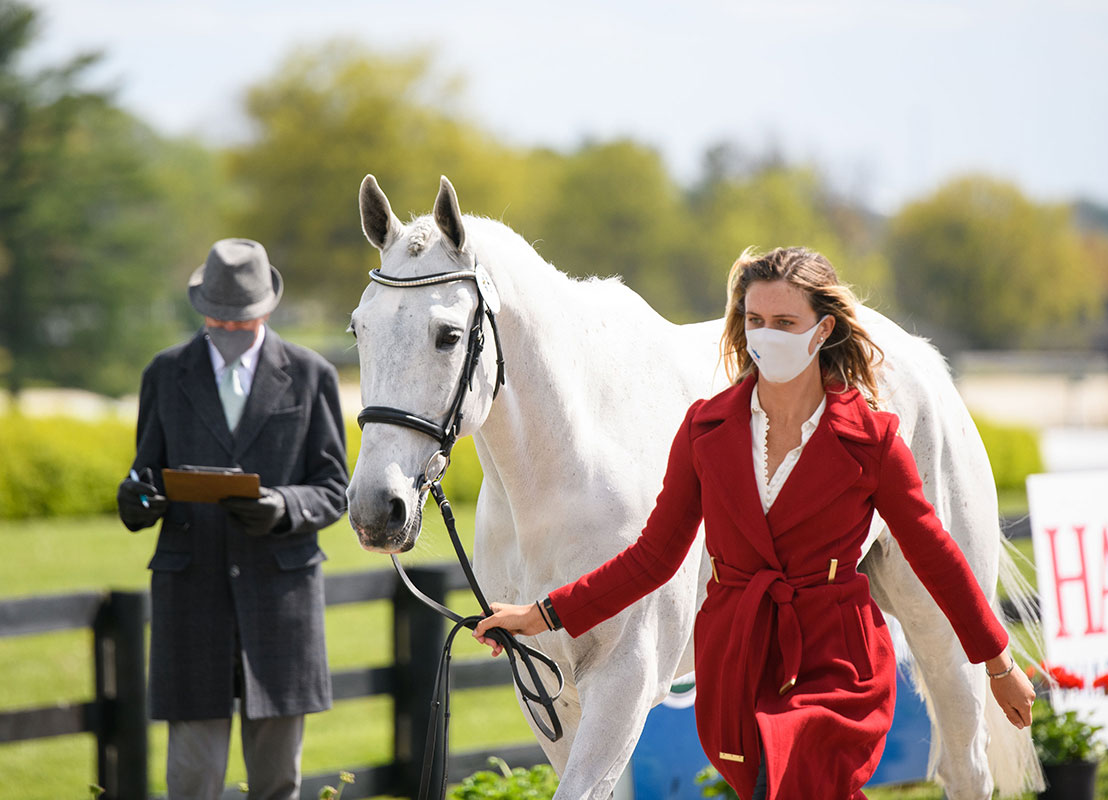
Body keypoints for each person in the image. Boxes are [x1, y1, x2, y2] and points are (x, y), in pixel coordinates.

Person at [473, 247, 1036, 800]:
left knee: (797, 770)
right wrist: (543, 613)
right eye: (756, 320)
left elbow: (935, 553)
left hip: (835, 665)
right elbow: (651, 559)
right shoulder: (705, 432)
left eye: (786, 322)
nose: (767, 336)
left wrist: (997, 661)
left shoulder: (874, 440)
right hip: (737, 665)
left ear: (823, 331)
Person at [116, 238, 349, 800]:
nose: (230, 329)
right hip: (190, 597)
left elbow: (334, 490)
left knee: (277, 781)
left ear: (266, 310)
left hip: (280, 600)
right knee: (191, 781)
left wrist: (283, 507)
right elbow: (141, 480)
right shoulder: (166, 374)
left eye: (242, 320)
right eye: (219, 318)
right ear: (202, 310)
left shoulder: (312, 374)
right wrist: (139, 499)